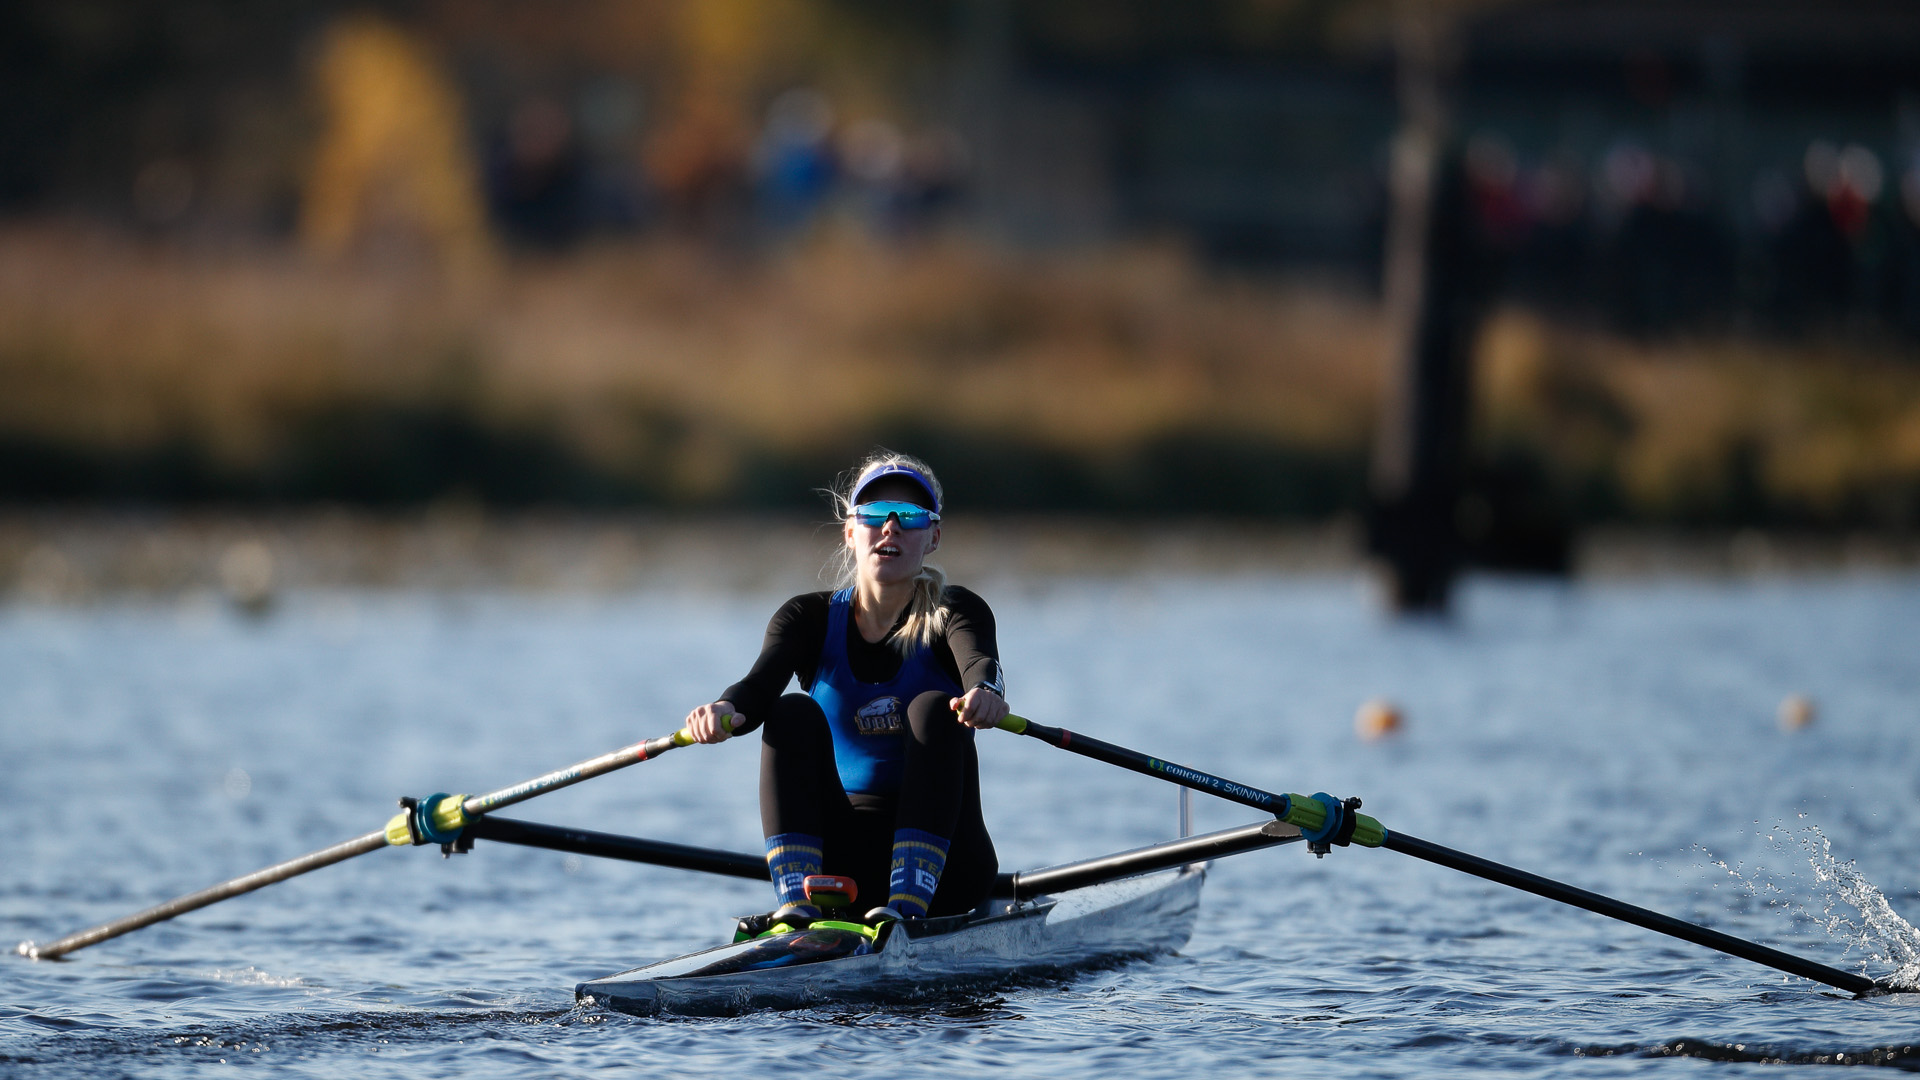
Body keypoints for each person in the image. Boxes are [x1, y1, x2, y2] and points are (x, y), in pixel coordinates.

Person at [682, 451, 1008, 927]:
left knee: (935, 709)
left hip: (951, 870)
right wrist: (722, 709)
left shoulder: (956, 611)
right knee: (790, 713)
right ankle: (797, 904)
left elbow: (981, 664)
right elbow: (756, 690)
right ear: (850, 531)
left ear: (933, 537)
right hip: (843, 873)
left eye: (911, 517)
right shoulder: (806, 619)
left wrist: (985, 692)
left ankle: (908, 907)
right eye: (874, 515)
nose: (891, 528)